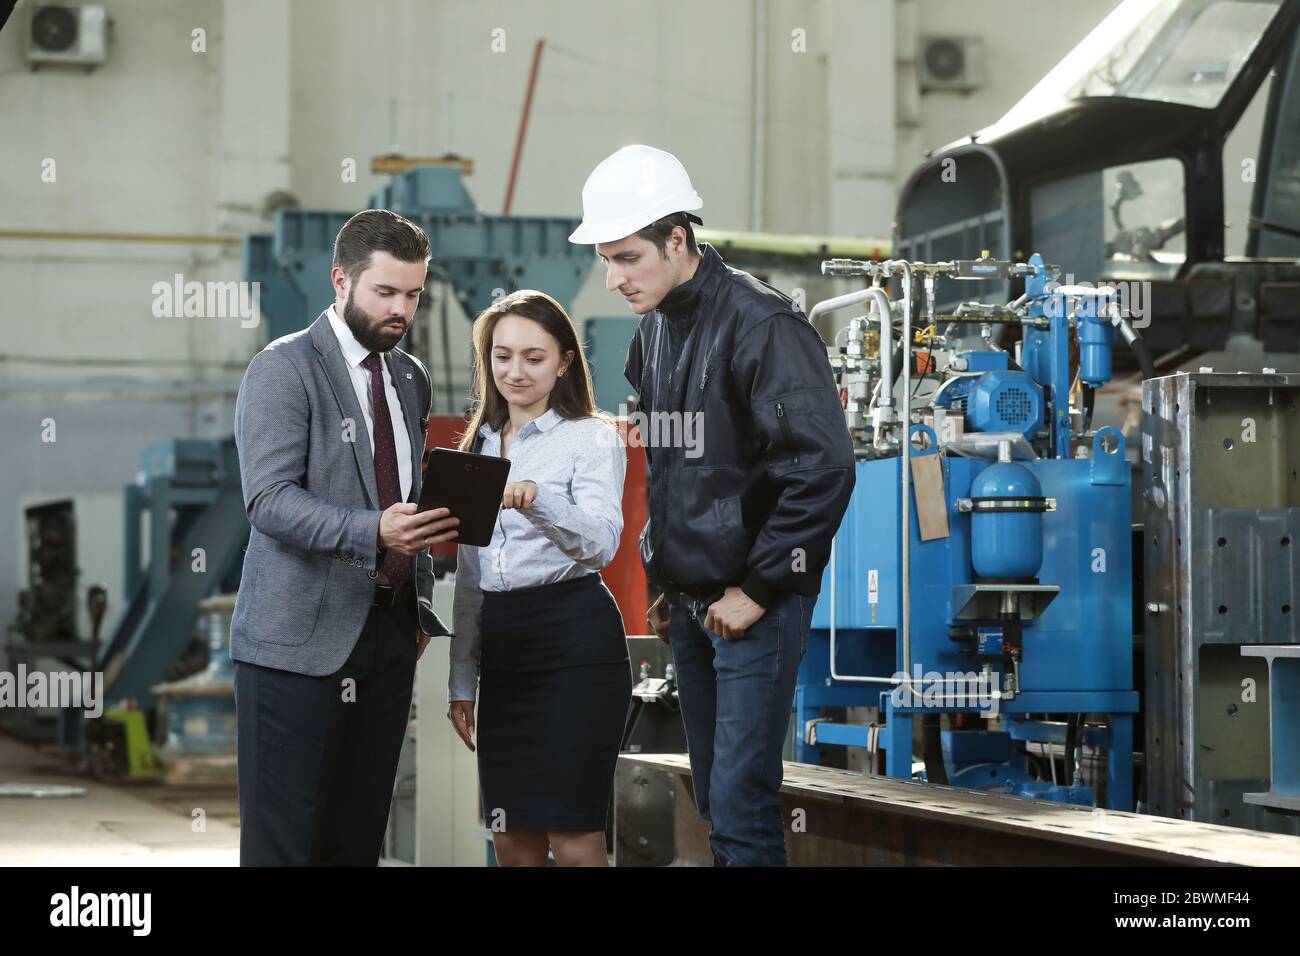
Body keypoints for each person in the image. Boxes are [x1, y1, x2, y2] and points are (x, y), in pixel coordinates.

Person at [569, 144, 856, 866]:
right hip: (695, 606)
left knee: (741, 803)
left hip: (751, 608)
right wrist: (665, 578)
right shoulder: (656, 334)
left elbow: (822, 468)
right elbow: (672, 471)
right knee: (714, 798)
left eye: (628, 257)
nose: (614, 279)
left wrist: (758, 590)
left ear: (678, 238)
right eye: (607, 259)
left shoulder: (763, 326)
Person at [231, 209, 460, 866]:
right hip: (294, 649)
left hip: (385, 639)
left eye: (413, 295)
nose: (401, 309)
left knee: (356, 843)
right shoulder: (284, 369)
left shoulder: (409, 378)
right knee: (285, 847)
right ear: (341, 279)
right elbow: (268, 501)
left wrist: (413, 602)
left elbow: (407, 498)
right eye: (385, 292)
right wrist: (373, 530)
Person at [446, 289, 630, 867]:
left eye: (534, 357)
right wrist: (461, 680)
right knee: (512, 837)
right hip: (504, 650)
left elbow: (602, 545)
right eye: (502, 356)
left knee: (573, 837)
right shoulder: (476, 445)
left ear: (565, 362)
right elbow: (472, 572)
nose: (515, 371)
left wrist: (538, 500)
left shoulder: (593, 436)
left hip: (575, 643)